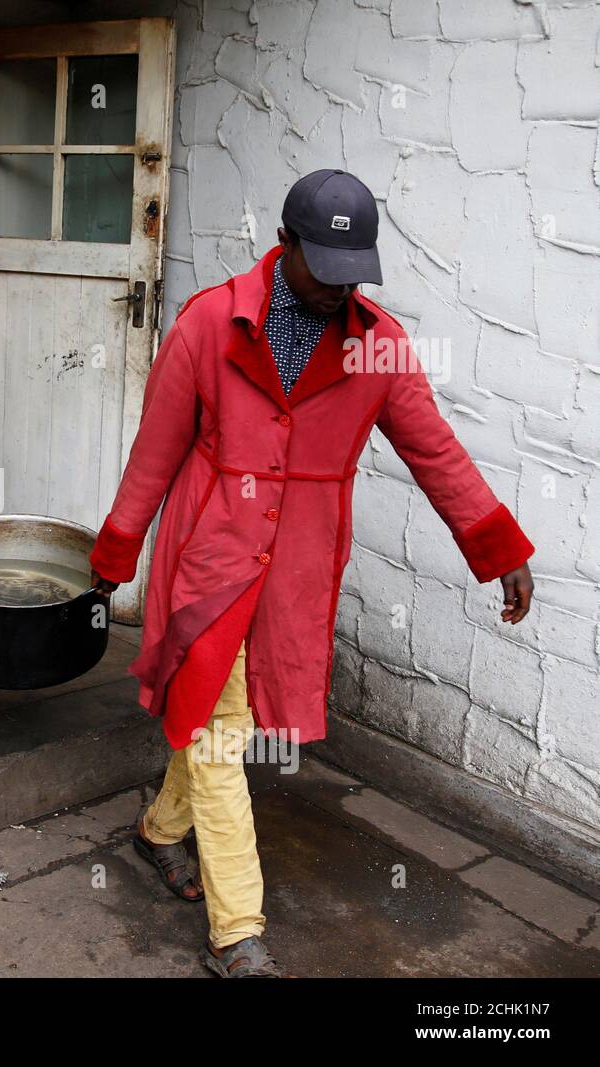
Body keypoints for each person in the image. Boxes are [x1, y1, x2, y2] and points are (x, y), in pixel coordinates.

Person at [89, 169, 535, 977]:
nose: (339, 290)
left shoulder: (379, 344)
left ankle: (157, 831)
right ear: (285, 244)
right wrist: (116, 552)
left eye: (354, 273)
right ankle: (239, 933)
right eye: (324, 269)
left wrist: (498, 548)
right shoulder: (207, 324)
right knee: (220, 727)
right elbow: (154, 450)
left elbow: (434, 449)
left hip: (296, 567)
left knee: (226, 716)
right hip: (210, 552)